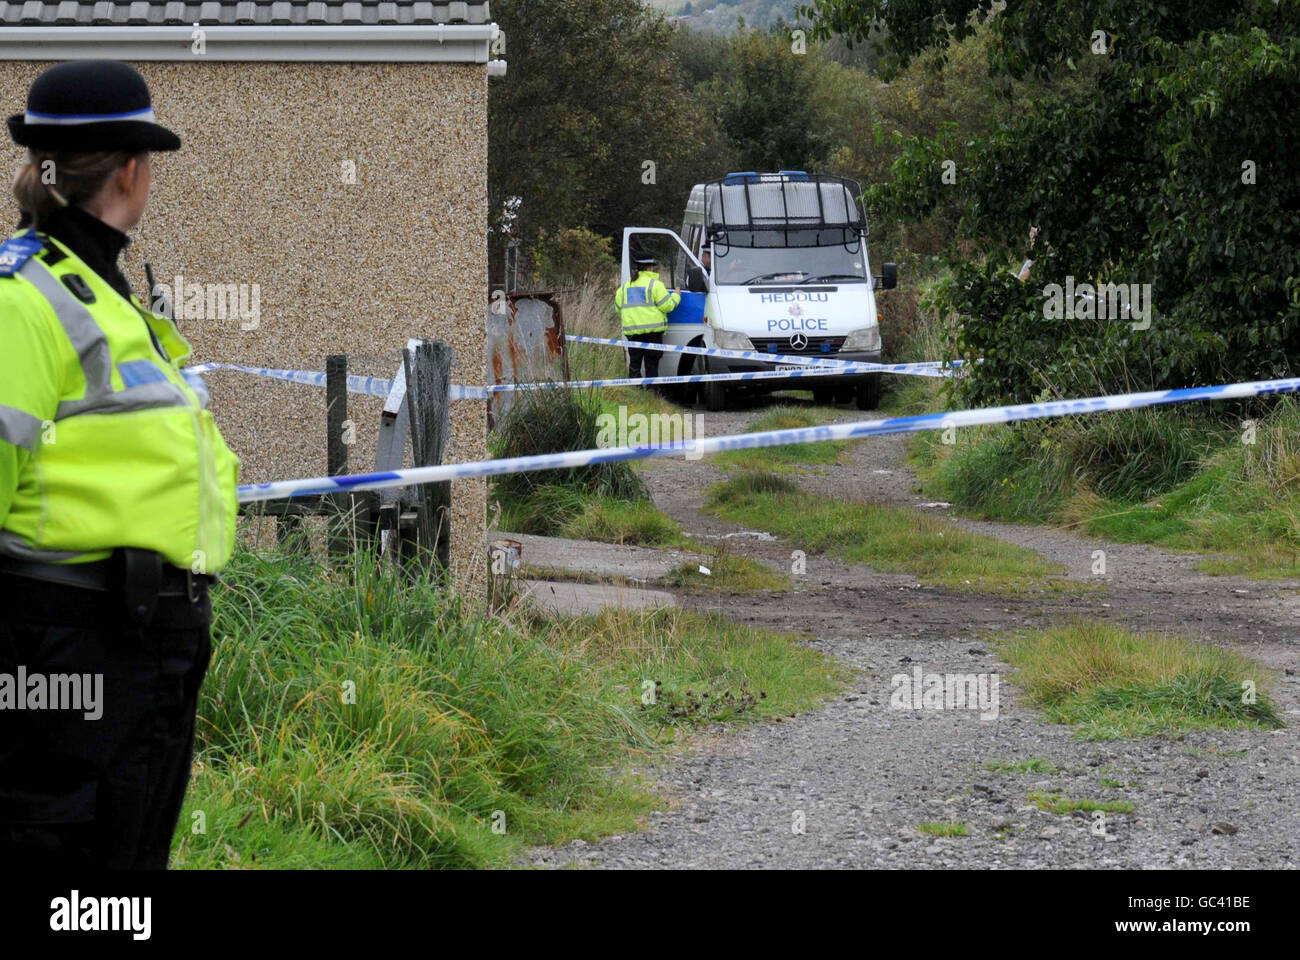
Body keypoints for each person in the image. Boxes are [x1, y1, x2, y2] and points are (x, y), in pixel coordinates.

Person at [0, 60, 239, 869]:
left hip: (142, 641)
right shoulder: (20, 297)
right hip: (67, 639)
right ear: (133, 171)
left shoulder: (98, 289)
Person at [615, 248, 680, 380]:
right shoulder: (655, 285)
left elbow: (618, 308)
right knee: (651, 365)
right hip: (652, 333)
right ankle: (653, 393)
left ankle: (636, 391)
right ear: (650, 268)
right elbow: (667, 306)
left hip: (632, 333)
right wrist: (676, 296)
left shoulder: (625, 286)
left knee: (634, 364)